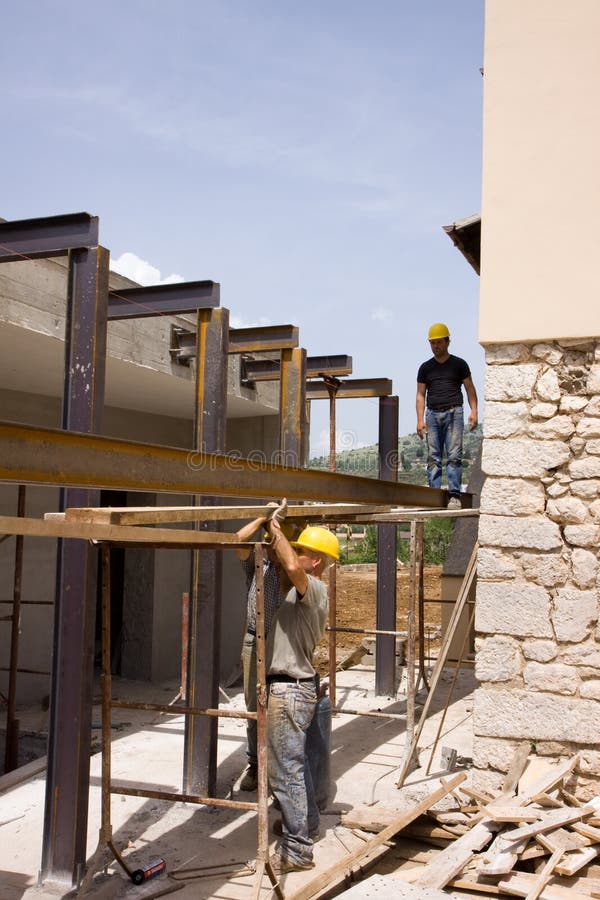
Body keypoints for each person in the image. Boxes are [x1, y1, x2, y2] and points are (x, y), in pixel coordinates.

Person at [265, 521, 339, 873]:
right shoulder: (295, 593)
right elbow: (286, 568)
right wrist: (274, 543)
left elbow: (291, 566)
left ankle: (298, 850)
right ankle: (306, 826)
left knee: (285, 773)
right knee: (298, 765)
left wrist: (275, 529)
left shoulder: (317, 589)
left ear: (317, 562)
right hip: (295, 687)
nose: (296, 556)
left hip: (290, 688)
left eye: (303, 551)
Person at [235, 510, 287, 792]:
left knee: (281, 706)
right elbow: (237, 541)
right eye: (270, 544)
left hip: (281, 644)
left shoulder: (291, 573)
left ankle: (278, 767)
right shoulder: (257, 566)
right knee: (253, 707)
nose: (273, 550)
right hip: (254, 641)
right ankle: (255, 765)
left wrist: (277, 529)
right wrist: (261, 519)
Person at [416, 322, 478, 509]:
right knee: (433, 456)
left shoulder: (459, 364)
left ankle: (454, 496)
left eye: (439, 342)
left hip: (454, 413)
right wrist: (420, 420)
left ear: (448, 342)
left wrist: (474, 411)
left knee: (454, 456)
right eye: (433, 343)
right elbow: (420, 395)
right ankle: (434, 496)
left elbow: (469, 388)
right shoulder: (425, 368)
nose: (436, 346)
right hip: (432, 415)